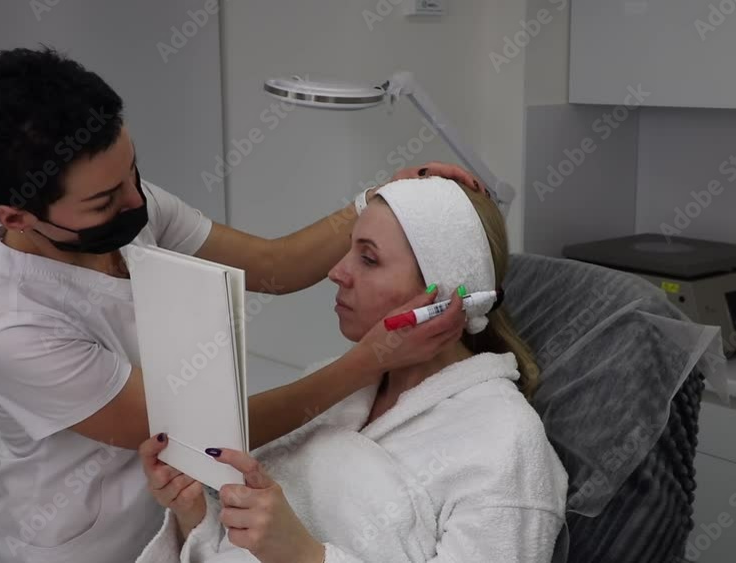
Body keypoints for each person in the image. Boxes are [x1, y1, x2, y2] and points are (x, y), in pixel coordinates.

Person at [0, 46, 485, 563]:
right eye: (105, 201)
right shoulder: (9, 327)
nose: (137, 200)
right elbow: (200, 435)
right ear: (18, 217)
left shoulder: (492, 433)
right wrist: (370, 360)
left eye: (132, 172)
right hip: (80, 546)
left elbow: (274, 266)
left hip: (181, 524)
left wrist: (380, 199)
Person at [138, 177, 569, 563]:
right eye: (350, 250)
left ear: (440, 297)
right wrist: (194, 515)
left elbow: (286, 545)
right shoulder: (341, 393)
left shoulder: (505, 441)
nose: (337, 271)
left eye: (369, 259)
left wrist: (304, 556)